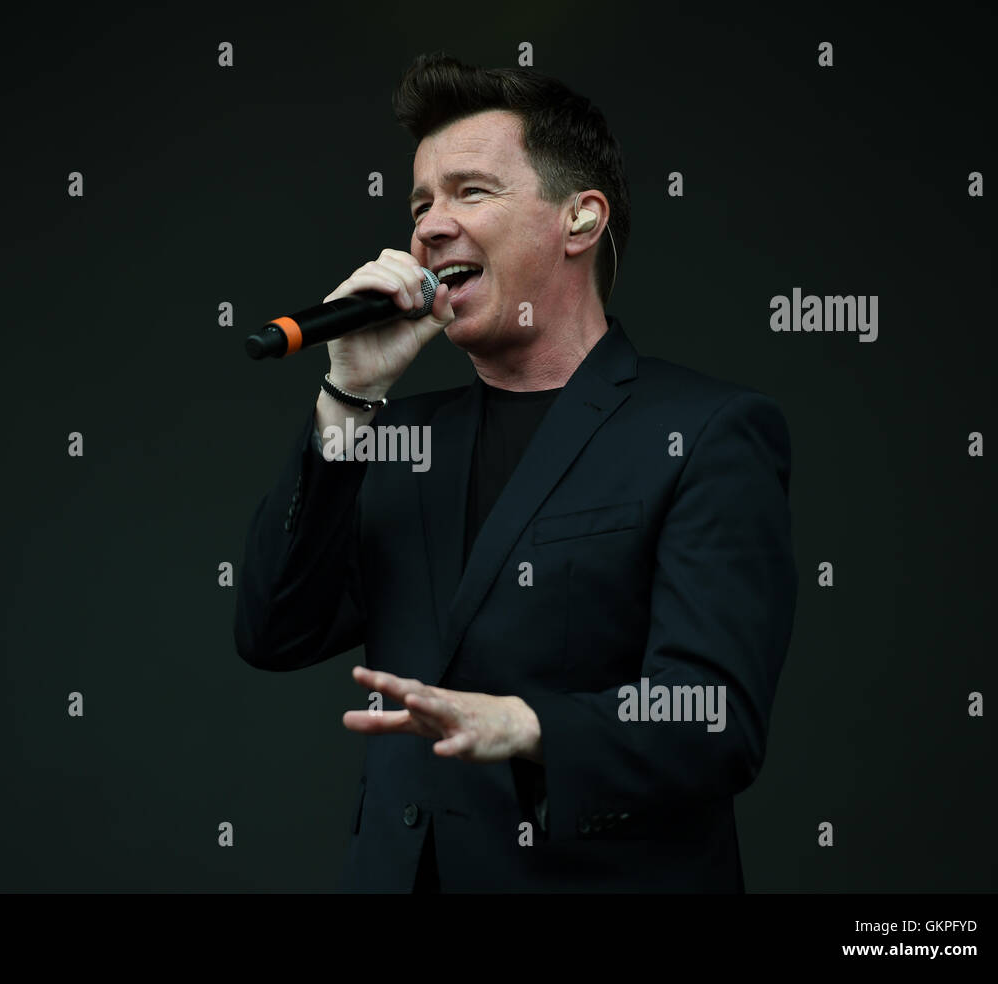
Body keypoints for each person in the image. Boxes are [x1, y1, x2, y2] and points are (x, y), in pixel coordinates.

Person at [234, 52, 797, 892]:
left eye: (470, 191)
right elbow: (272, 632)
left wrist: (533, 724)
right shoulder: (398, 437)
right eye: (420, 201)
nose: (428, 226)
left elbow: (712, 717)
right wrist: (348, 396)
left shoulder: (706, 432)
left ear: (579, 220)